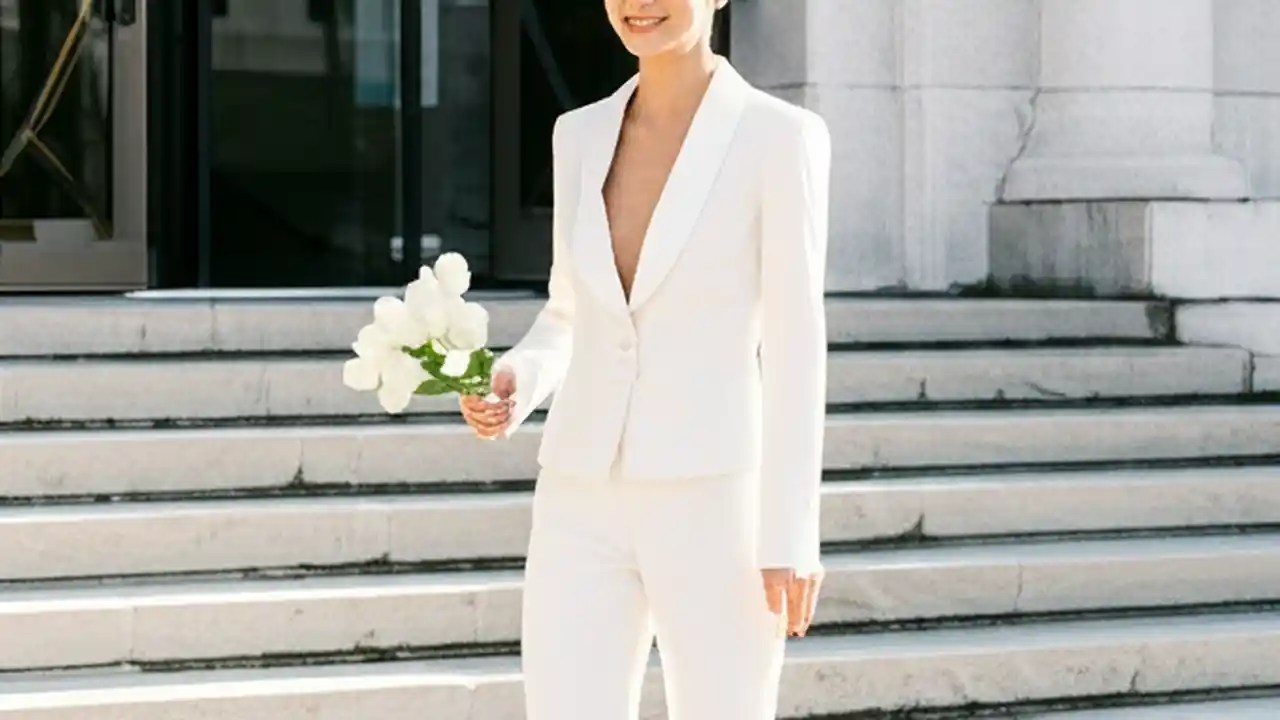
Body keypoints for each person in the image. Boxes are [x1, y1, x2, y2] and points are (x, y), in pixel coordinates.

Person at [459, 0, 831, 716]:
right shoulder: (580, 133)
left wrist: (791, 532)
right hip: (580, 490)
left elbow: (794, 342)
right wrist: (519, 377)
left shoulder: (779, 138)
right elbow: (569, 312)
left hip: (716, 496)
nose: (637, 2)